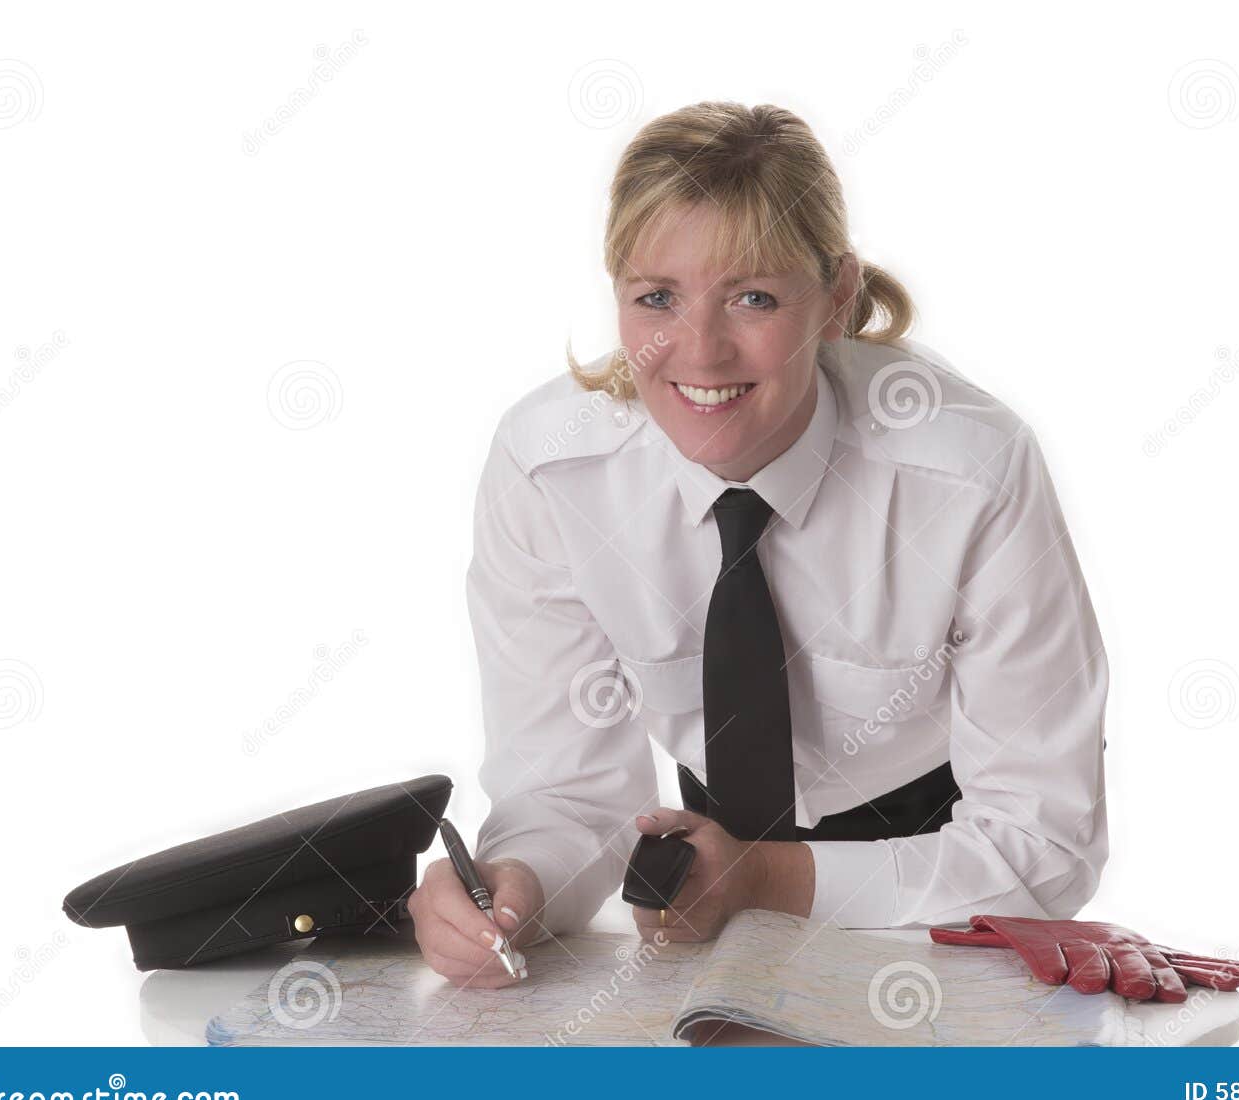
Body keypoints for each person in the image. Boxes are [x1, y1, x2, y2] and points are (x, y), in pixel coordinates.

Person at [407, 101, 1109, 989]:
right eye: (657, 297)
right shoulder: (551, 471)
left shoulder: (968, 472)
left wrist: (766, 877)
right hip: (705, 875)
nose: (699, 351)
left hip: (945, 886)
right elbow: (570, 793)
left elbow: (1044, 843)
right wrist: (518, 888)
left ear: (836, 297)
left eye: (754, 298)